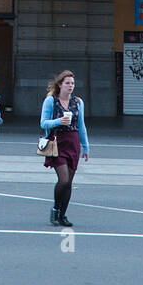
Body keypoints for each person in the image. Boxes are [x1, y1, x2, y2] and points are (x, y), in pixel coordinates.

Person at [41, 69, 89, 227]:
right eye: (67, 83)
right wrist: (58, 121)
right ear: (60, 84)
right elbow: (43, 123)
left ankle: (63, 215)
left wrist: (86, 147)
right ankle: (55, 210)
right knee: (64, 179)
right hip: (58, 142)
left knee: (69, 183)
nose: (70, 86)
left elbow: (81, 126)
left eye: (73, 83)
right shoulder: (51, 101)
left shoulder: (78, 102)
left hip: (73, 143)